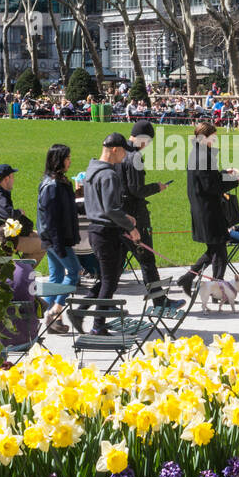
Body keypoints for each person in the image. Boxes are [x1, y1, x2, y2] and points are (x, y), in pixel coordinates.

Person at [81, 133, 141, 334]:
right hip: (106, 232)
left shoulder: (92, 169)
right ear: (115, 149)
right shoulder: (108, 175)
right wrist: (131, 228)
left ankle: (82, 310)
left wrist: (125, 217)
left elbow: (106, 206)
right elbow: (110, 209)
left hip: (97, 230)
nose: (125, 157)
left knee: (111, 277)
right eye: (124, 152)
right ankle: (98, 325)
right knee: (109, 281)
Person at [119, 120, 182, 310]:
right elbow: (137, 190)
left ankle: (92, 304)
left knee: (114, 268)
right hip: (135, 217)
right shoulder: (134, 157)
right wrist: (158, 187)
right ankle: (160, 302)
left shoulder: (119, 154)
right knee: (147, 260)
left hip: (118, 215)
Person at [181, 121, 239, 296]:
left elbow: (208, 178)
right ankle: (214, 289)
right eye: (213, 135)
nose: (215, 139)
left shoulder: (198, 153)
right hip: (208, 209)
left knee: (216, 249)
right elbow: (210, 186)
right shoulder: (203, 156)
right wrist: (234, 181)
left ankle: (191, 278)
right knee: (219, 250)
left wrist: (224, 172)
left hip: (203, 208)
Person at [37, 144, 81, 333]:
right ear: (59, 160)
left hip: (54, 239)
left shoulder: (59, 182)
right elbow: (50, 219)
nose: (70, 161)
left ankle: (40, 314)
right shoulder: (52, 185)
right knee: (74, 271)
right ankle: (55, 311)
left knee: (56, 278)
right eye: (67, 157)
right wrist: (59, 245)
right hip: (56, 240)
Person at [0, 163, 45, 261]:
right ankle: (21, 274)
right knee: (43, 244)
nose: (14, 180)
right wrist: (20, 212)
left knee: (40, 236)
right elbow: (8, 215)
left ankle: (21, 272)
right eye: (12, 177)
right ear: (6, 179)